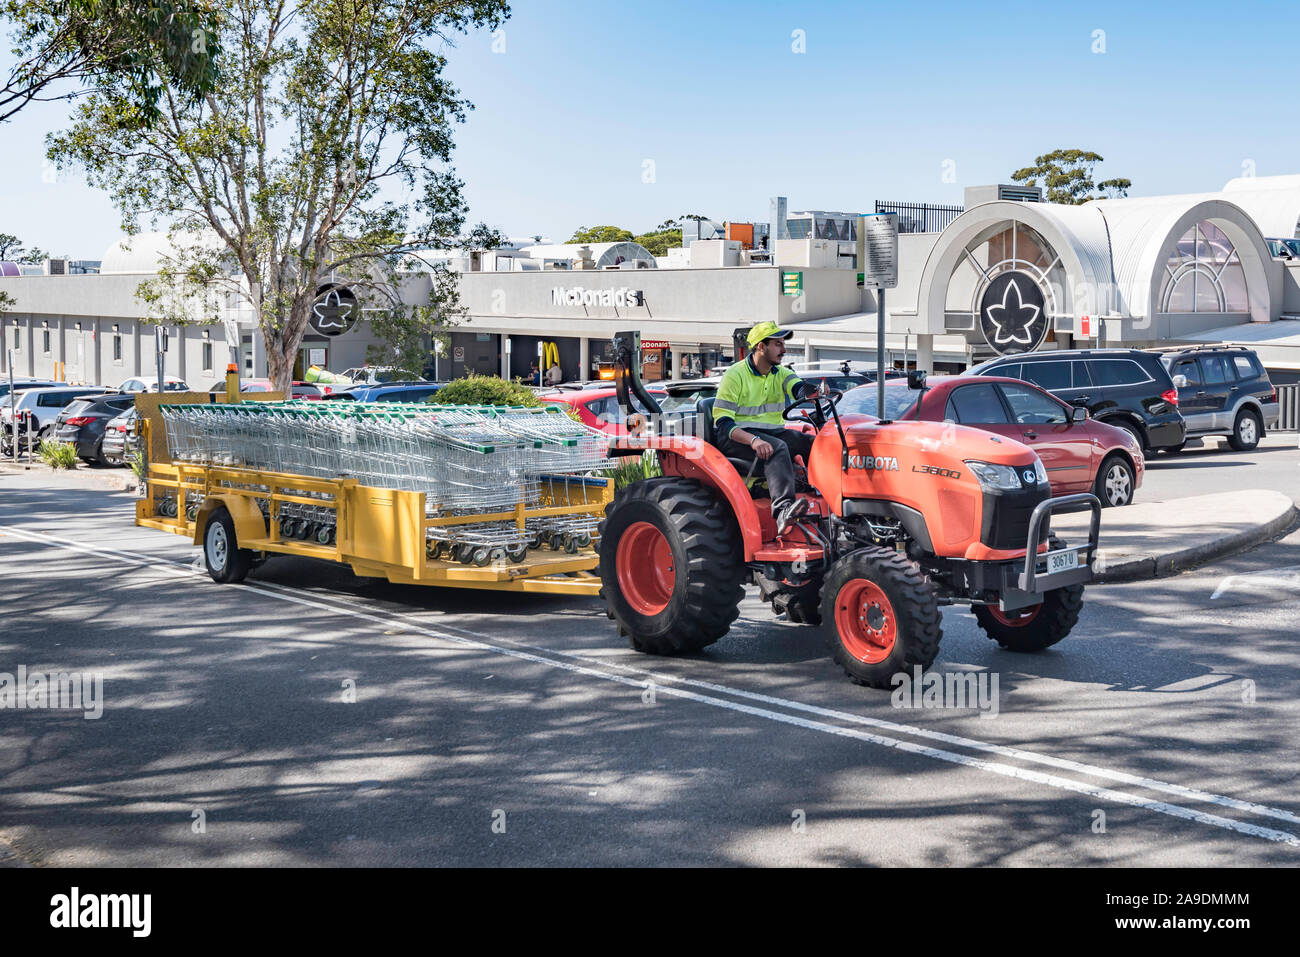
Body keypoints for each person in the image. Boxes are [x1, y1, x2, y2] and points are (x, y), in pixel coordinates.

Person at [712, 321, 822, 534]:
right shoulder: (735, 375)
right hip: (736, 436)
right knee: (778, 447)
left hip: (770, 432)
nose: (784, 349)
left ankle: (821, 493)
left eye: (783, 344)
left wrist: (811, 393)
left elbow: (798, 387)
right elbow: (723, 423)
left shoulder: (780, 373)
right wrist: (754, 441)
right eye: (778, 344)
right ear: (761, 347)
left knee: (812, 442)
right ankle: (782, 510)